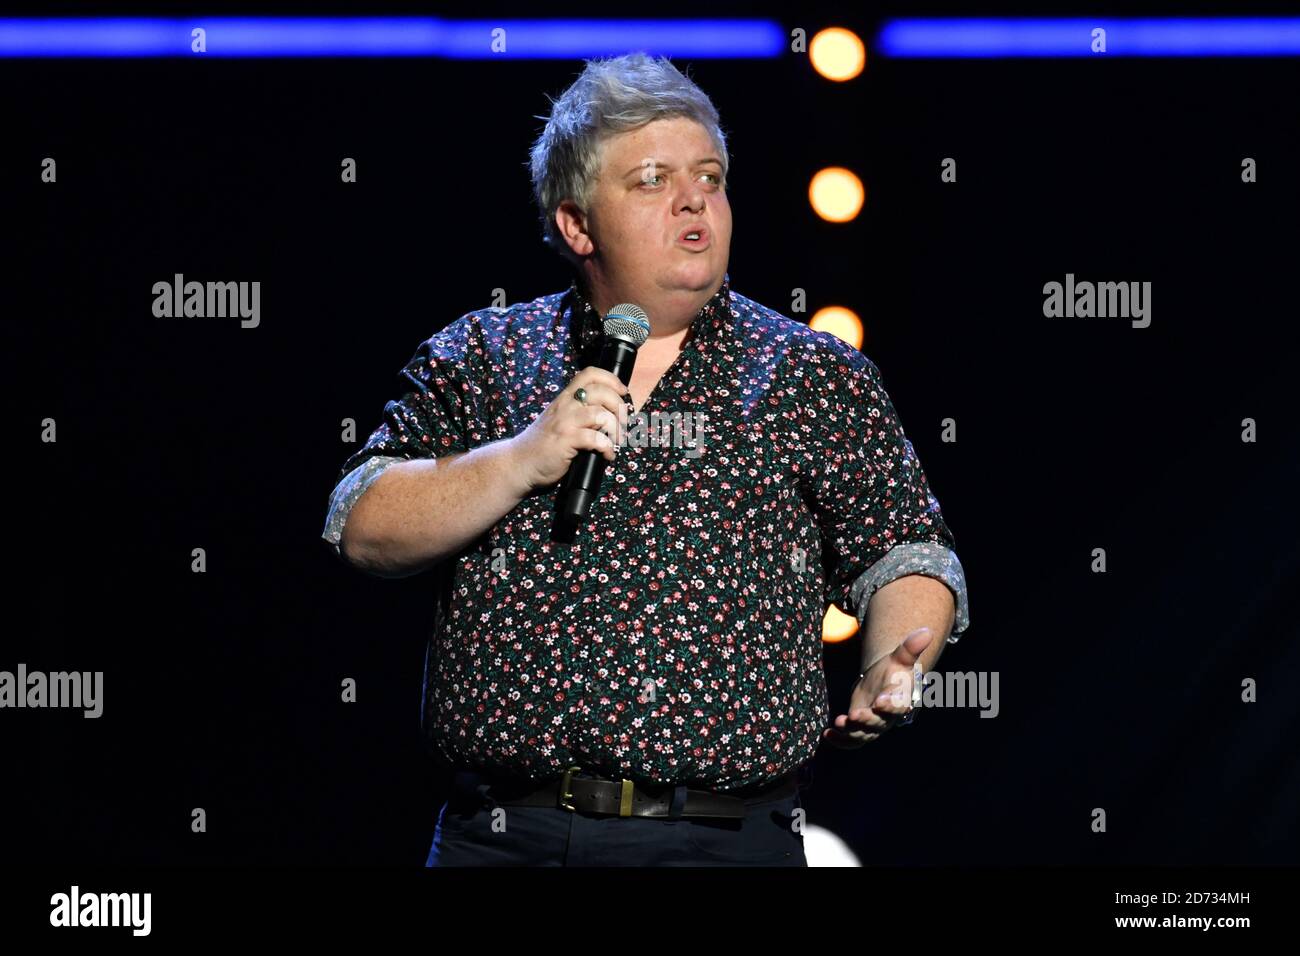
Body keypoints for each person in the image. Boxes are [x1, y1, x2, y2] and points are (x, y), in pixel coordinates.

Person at [320, 52, 970, 867]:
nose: (695, 200)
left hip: (723, 839)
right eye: (654, 181)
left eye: (710, 176)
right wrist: (522, 459)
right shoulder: (486, 356)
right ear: (576, 225)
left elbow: (906, 549)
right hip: (507, 838)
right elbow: (363, 522)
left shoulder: (811, 373)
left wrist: (892, 656)